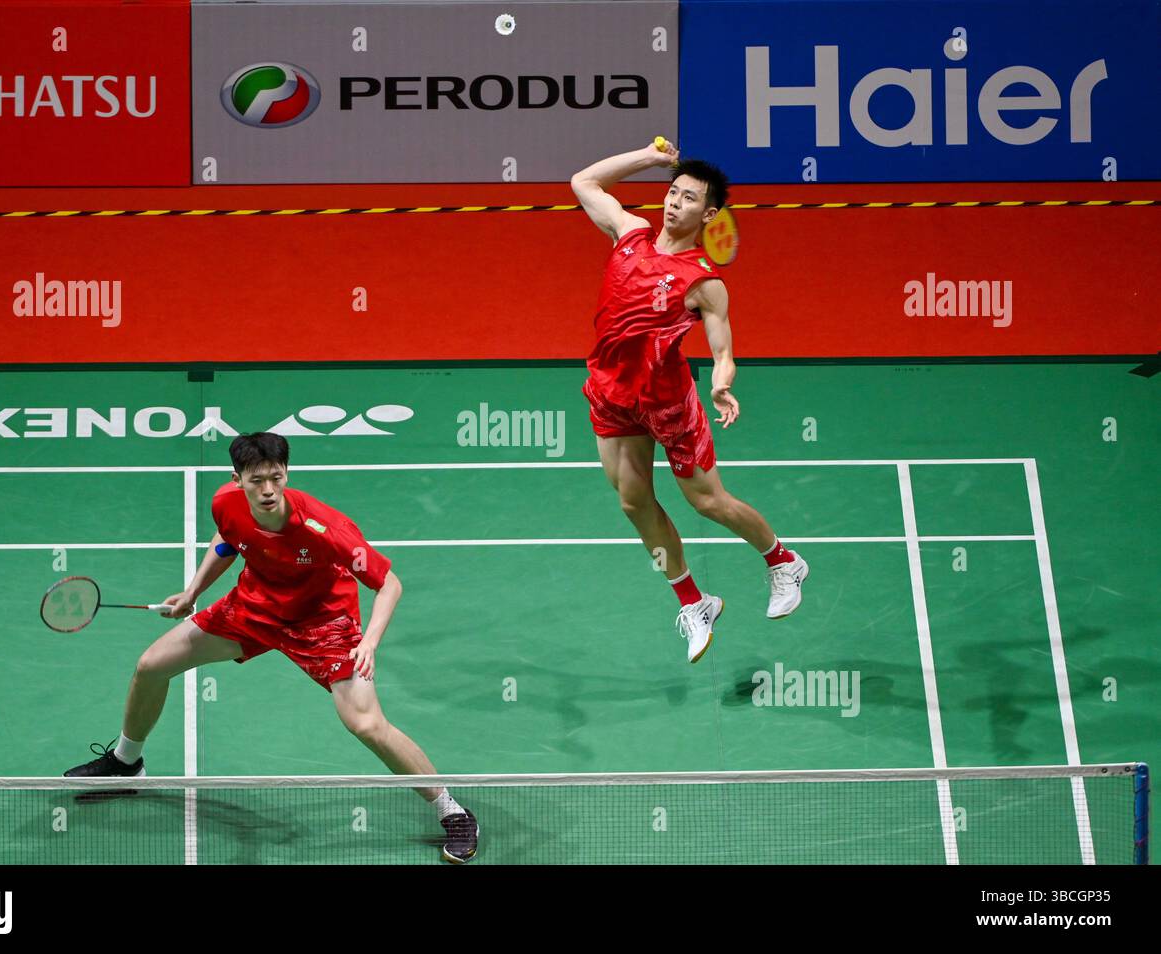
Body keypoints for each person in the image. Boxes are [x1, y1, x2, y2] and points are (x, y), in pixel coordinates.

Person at [64, 432, 479, 864]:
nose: (266, 490)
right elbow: (228, 542)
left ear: (287, 475)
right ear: (237, 478)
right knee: (151, 664)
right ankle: (126, 763)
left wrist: (369, 643)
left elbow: (389, 584)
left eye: (276, 478)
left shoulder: (325, 528)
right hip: (254, 610)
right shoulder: (226, 501)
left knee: (366, 724)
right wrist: (193, 591)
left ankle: (453, 811)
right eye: (256, 479)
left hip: (323, 624)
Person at [570, 140, 809, 664]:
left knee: (708, 502)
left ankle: (783, 560)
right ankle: (695, 603)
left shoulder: (704, 281)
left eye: (688, 197)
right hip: (612, 392)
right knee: (633, 502)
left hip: (666, 401)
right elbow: (584, 182)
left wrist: (722, 382)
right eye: (672, 193)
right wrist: (648, 158)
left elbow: (724, 349)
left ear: (710, 213)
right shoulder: (628, 233)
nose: (674, 203)